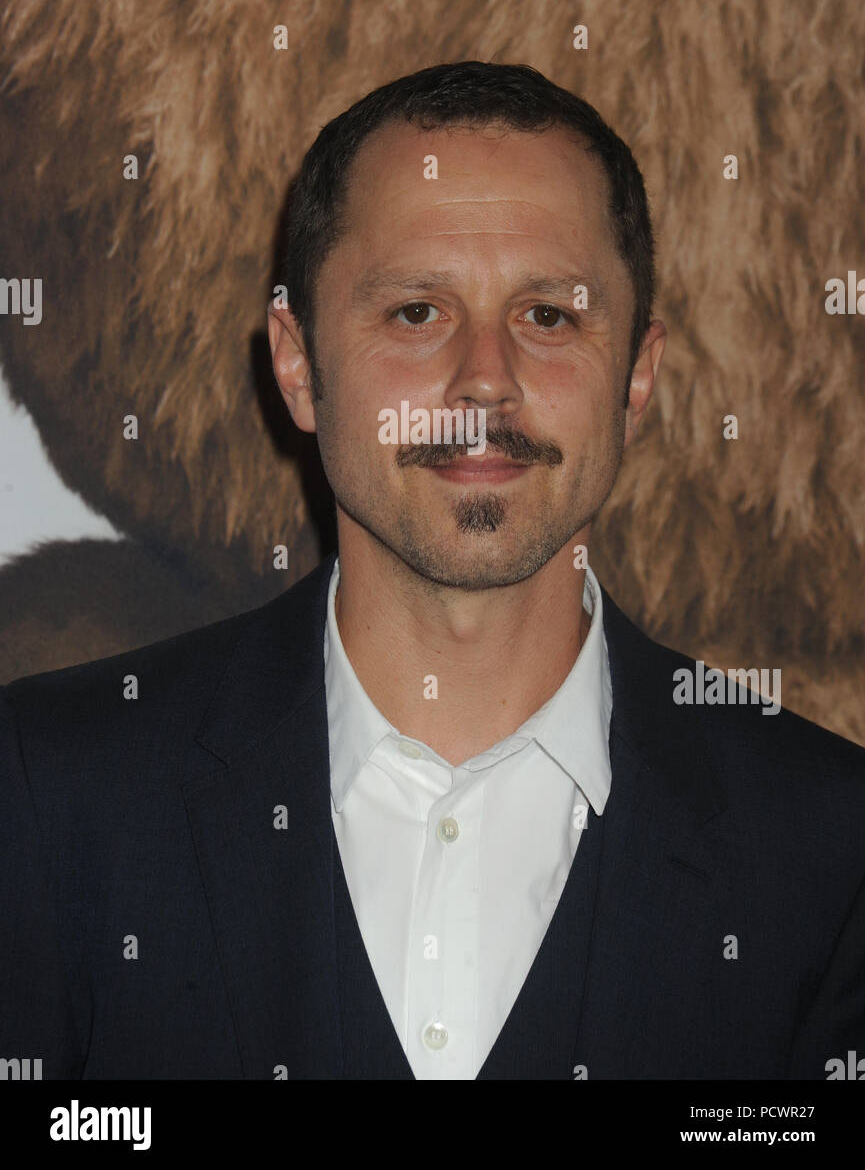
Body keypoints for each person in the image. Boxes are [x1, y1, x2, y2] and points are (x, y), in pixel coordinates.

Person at [2, 61, 864, 1081]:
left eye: (548, 314)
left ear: (637, 374)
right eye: (416, 311)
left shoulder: (830, 848)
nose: (485, 378)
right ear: (298, 365)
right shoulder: (45, 795)